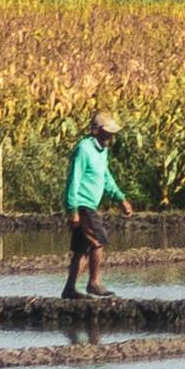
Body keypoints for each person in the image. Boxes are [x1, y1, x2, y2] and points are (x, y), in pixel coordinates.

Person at [60, 114, 130, 300]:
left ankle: (69, 289)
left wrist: (120, 198)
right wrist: (72, 209)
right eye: (107, 134)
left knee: (82, 250)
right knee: (98, 241)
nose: (110, 138)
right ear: (96, 131)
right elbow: (74, 179)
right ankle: (94, 283)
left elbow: (105, 177)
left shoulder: (102, 151)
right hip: (82, 204)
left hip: (89, 204)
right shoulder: (84, 149)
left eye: (111, 135)